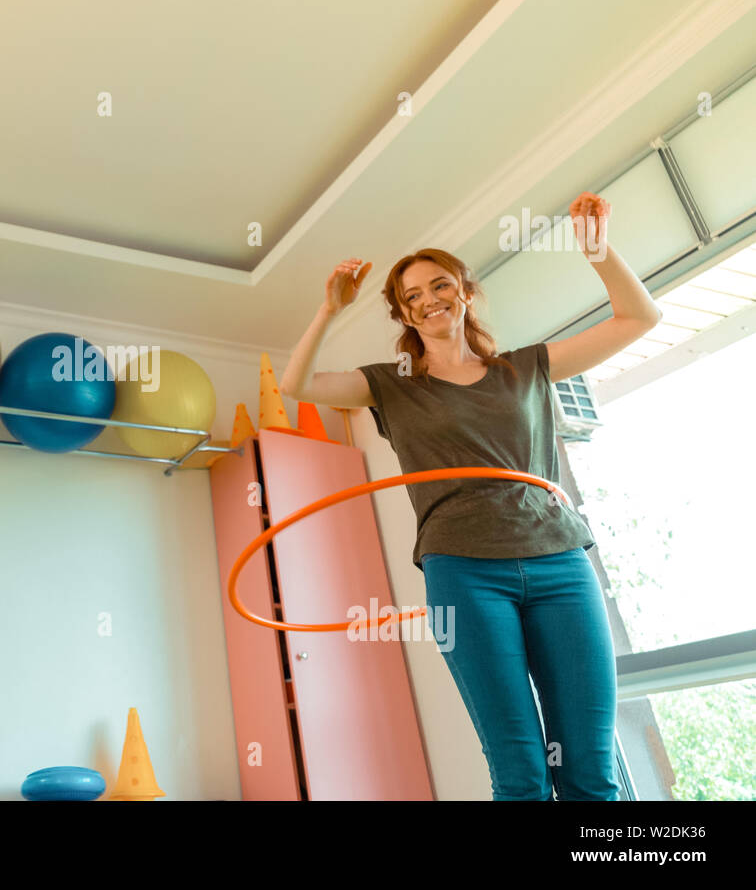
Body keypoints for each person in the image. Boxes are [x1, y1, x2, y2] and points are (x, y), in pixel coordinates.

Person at [280, 192, 661, 800]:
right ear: (405, 315)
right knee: (520, 771)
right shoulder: (392, 386)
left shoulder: (526, 368)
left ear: (465, 290)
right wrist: (328, 312)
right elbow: (295, 383)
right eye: (413, 297)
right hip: (463, 570)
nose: (429, 300)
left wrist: (597, 251)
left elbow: (640, 320)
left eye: (439, 285)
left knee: (590, 767)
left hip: (560, 560)